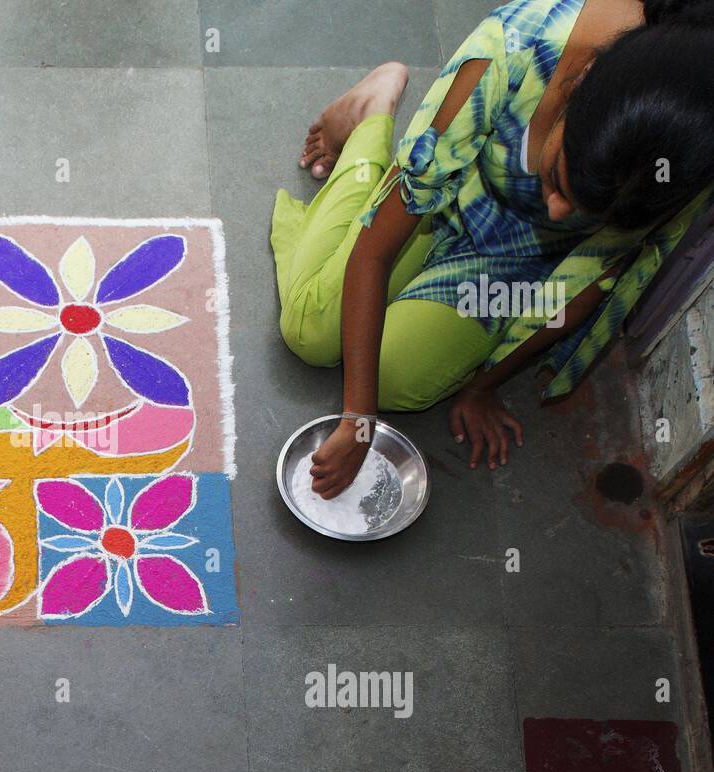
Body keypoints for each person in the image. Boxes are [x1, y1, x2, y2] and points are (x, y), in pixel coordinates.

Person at [272, 0, 714, 498]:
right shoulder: (510, 52)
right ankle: (371, 114)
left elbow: (579, 289)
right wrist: (357, 421)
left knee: (392, 380)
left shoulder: (682, 155)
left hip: (513, 267)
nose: (557, 210)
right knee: (309, 332)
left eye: (586, 209)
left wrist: (484, 385)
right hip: (440, 205)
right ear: (579, 82)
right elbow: (376, 251)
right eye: (558, 181)